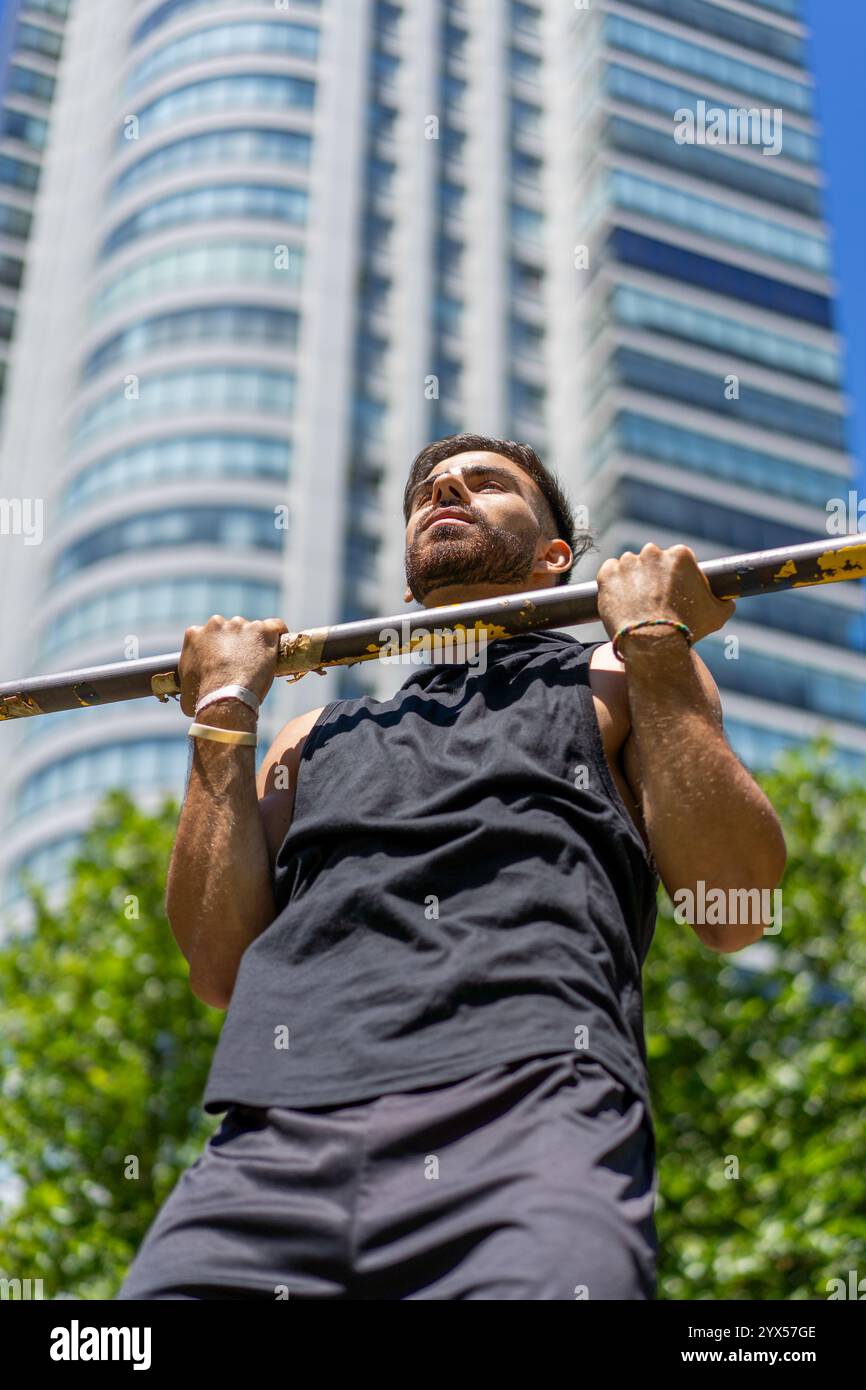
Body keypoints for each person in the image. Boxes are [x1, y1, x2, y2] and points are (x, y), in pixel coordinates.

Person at [117, 432, 786, 1300]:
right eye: (430, 491)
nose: (447, 493)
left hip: (532, 1111)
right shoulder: (314, 736)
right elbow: (218, 967)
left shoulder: (618, 675)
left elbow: (733, 909)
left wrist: (658, 637)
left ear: (555, 557)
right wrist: (222, 710)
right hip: (274, 1139)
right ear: (406, 582)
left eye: (485, 483)